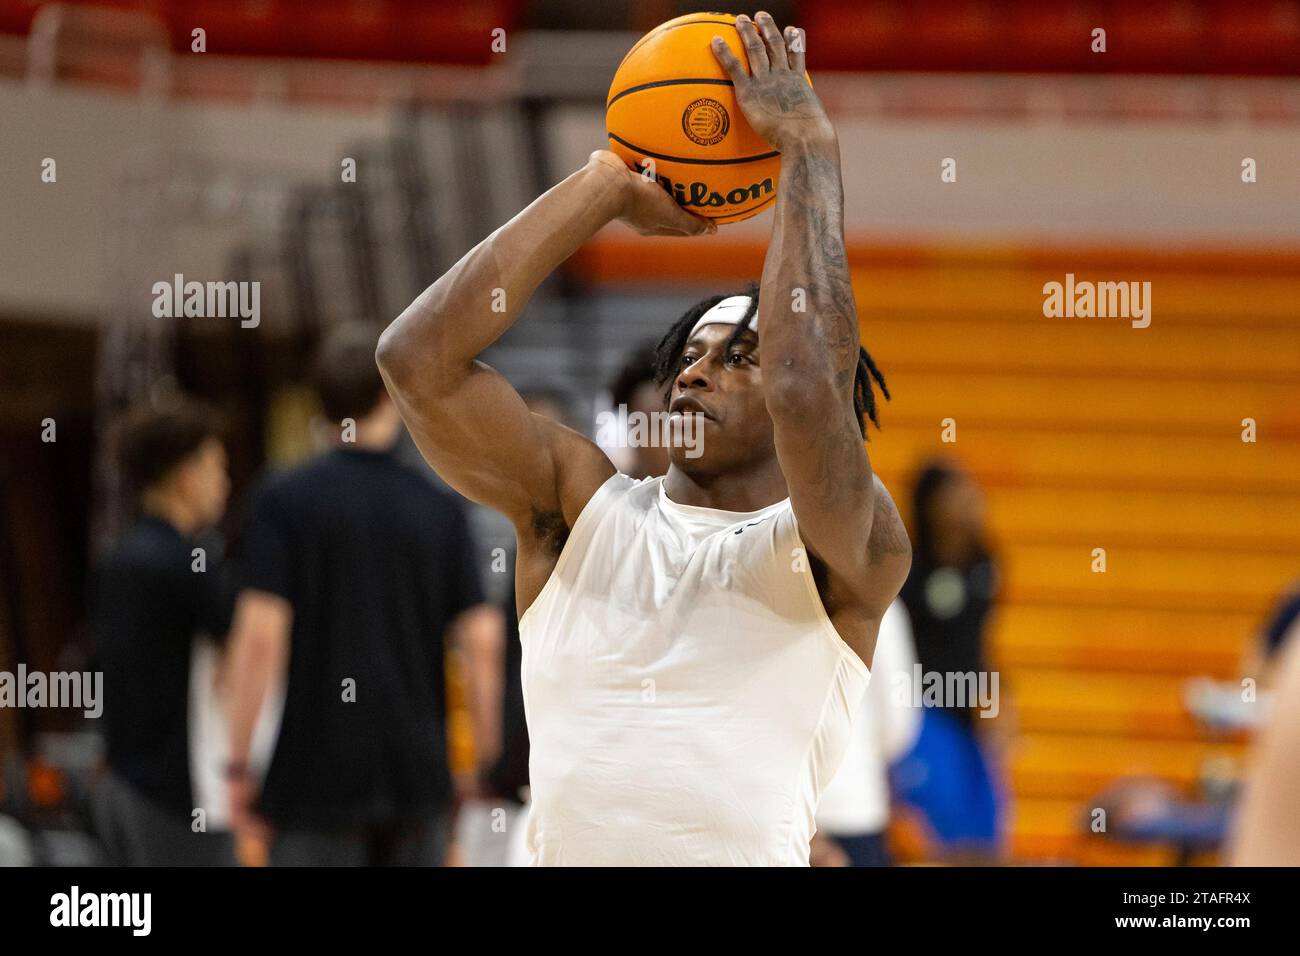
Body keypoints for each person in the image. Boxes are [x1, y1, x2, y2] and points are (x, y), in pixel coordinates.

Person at [377, 12, 911, 866]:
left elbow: (807, 385)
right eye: (688, 356)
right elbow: (415, 360)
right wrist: (603, 188)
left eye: (740, 356)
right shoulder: (575, 507)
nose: (697, 373)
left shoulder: (843, 549)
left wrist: (807, 148)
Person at [223, 323, 501, 866]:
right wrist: (482, 762)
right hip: (418, 776)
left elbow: (259, 639)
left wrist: (237, 764)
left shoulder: (282, 500)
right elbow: (482, 642)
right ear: (390, 396)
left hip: (312, 778)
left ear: (320, 401)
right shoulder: (439, 507)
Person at [91, 399, 237, 865]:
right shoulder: (188, 564)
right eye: (217, 467)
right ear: (187, 477)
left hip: (121, 779)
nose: (225, 483)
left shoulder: (115, 559)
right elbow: (240, 650)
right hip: (181, 791)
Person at [893, 457, 1009, 859]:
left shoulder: (985, 563)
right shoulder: (907, 571)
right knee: (941, 837)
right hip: (924, 712)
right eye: (957, 494)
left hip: (971, 713)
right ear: (931, 506)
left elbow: (981, 643)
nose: (971, 500)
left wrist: (999, 696)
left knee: (988, 834)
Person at [814, 599, 921, 866]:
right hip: (853, 803)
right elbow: (899, 720)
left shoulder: (768, 589)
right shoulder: (882, 604)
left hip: (781, 806)